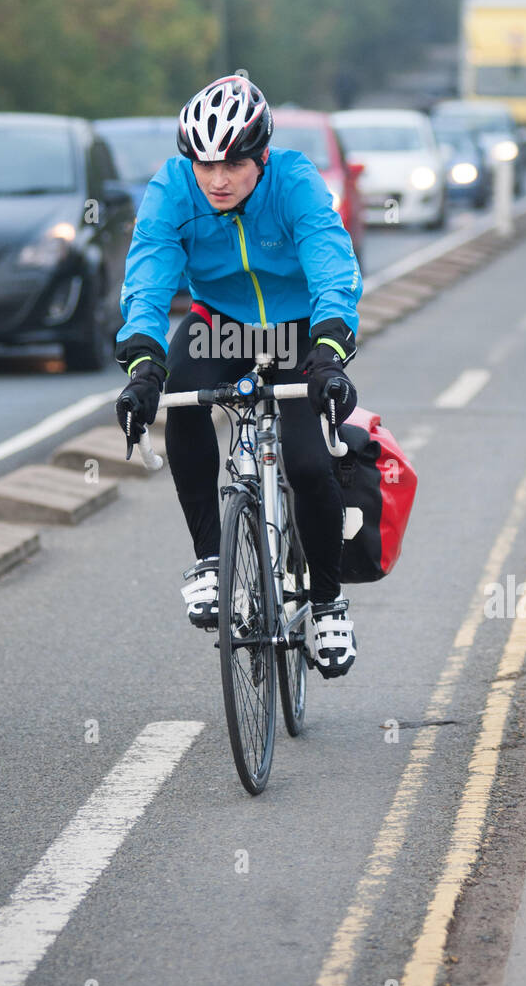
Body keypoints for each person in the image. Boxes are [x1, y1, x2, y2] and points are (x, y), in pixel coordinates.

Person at [114, 75, 363, 677]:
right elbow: (148, 272)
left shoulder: (296, 181)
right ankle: (210, 560)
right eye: (205, 165)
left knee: (307, 464)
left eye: (232, 164)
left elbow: (331, 261)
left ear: (262, 157)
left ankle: (328, 602)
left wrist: (329, 349)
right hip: (218, 322)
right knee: (178, 397)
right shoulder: (173, 190)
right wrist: (143, 359)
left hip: (296, 326)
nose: (217, 180)